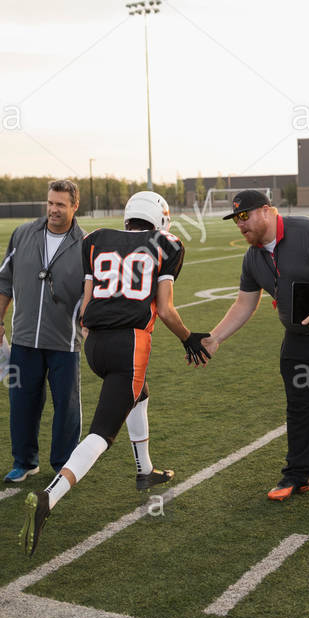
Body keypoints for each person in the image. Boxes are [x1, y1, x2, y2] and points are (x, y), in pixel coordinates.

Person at [20, 191, 211, 555]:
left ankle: (145, 470)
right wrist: (189, 339)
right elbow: (166, 310)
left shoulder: (95, 240)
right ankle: (50, 496)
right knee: (102, 433)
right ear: (161, 218)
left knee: (140, 393)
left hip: (95, 345)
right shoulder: (167, 244)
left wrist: (97, 335)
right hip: (129, 344)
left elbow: (86, 303)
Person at [205, 190, 309, 501]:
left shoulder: (307, 231)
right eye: (236, 220)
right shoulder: (253, 257)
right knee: (300, 407)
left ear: (268, 211)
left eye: (245, 216)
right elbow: (244, 304)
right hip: (298, 340)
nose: (240, 224)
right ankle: (297, 474)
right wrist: (215, 338)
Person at [0, 180, 86, 483]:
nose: (53, 209)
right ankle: (24, 461)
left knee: (66, 408)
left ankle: (63, 466)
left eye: (60, 204)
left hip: (65, 340)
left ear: (75, 206)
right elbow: (4, 280)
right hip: (23, 339)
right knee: (21, 403)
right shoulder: (23, 234)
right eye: (50, 203)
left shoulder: (86, 243)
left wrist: (89, 324)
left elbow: (92, 291)